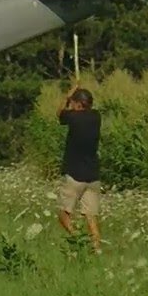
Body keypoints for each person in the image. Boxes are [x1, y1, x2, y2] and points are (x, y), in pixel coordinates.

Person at [56, 85, 102, 253]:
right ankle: (97, 250)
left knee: (63, 215)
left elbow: (60, 114)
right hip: (93, 176)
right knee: (91, 217)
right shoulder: (97, 117)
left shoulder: (73, 118)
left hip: (74, 175)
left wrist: (68, 96)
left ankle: (78, 240)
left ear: (77, 104)